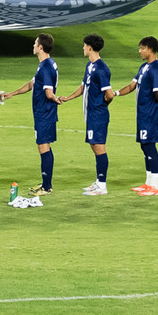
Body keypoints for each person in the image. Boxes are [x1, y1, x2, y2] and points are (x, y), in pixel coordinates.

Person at [0, 34, 59, 195]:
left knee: (43, 146)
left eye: (35, 43)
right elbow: (32, 84)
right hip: (43, 112)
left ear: (41, 47)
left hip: (44, 113)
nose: (33, 46)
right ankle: (46, 183)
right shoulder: (45, 64)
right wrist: (12, 94)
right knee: (44, 146)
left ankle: (46, 187)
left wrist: (55, 99)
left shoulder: (46, 67)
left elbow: (49, 92)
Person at [60, 34, 113, 195]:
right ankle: (98, 181)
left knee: (99, 147)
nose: (83, 48)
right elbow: (84, 86)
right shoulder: (90, 66)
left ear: (90, 47)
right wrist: (68, 97)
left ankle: (102, 186)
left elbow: (109, 94)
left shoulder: (101, 69)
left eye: (84, 45)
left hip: (98, 115)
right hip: (91, 114)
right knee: (94, 145)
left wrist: (101, 106)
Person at [114, 35, 158, 195]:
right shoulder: (144, 67)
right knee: (144, 146)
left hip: (150, 115)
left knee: (149, 146)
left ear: (151, 49)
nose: (140, 51)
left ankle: (155, 186)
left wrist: (155, 101)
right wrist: (115, 93)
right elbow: (132, 86)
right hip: (142, 115)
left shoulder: (156, 69)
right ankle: (148, 183)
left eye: (142, 48)